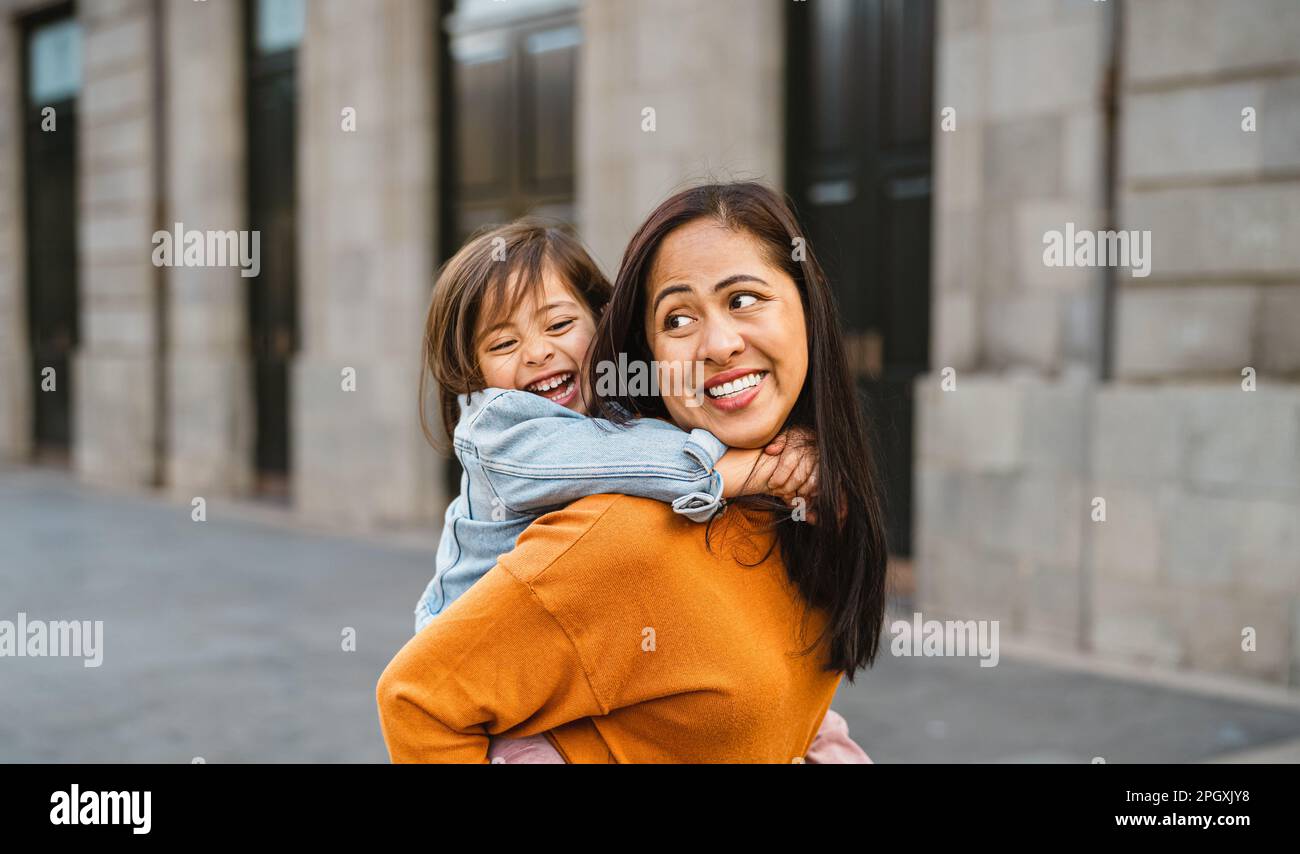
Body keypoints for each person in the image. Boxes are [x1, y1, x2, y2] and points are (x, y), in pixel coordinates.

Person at [378, 184, 886, 762]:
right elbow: (417, 698)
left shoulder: (795, 503)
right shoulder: (531, 452)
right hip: (488, 677)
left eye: (744, 299)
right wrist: (744, 470)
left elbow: (780, 707)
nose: (538, 353)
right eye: (677, 317)